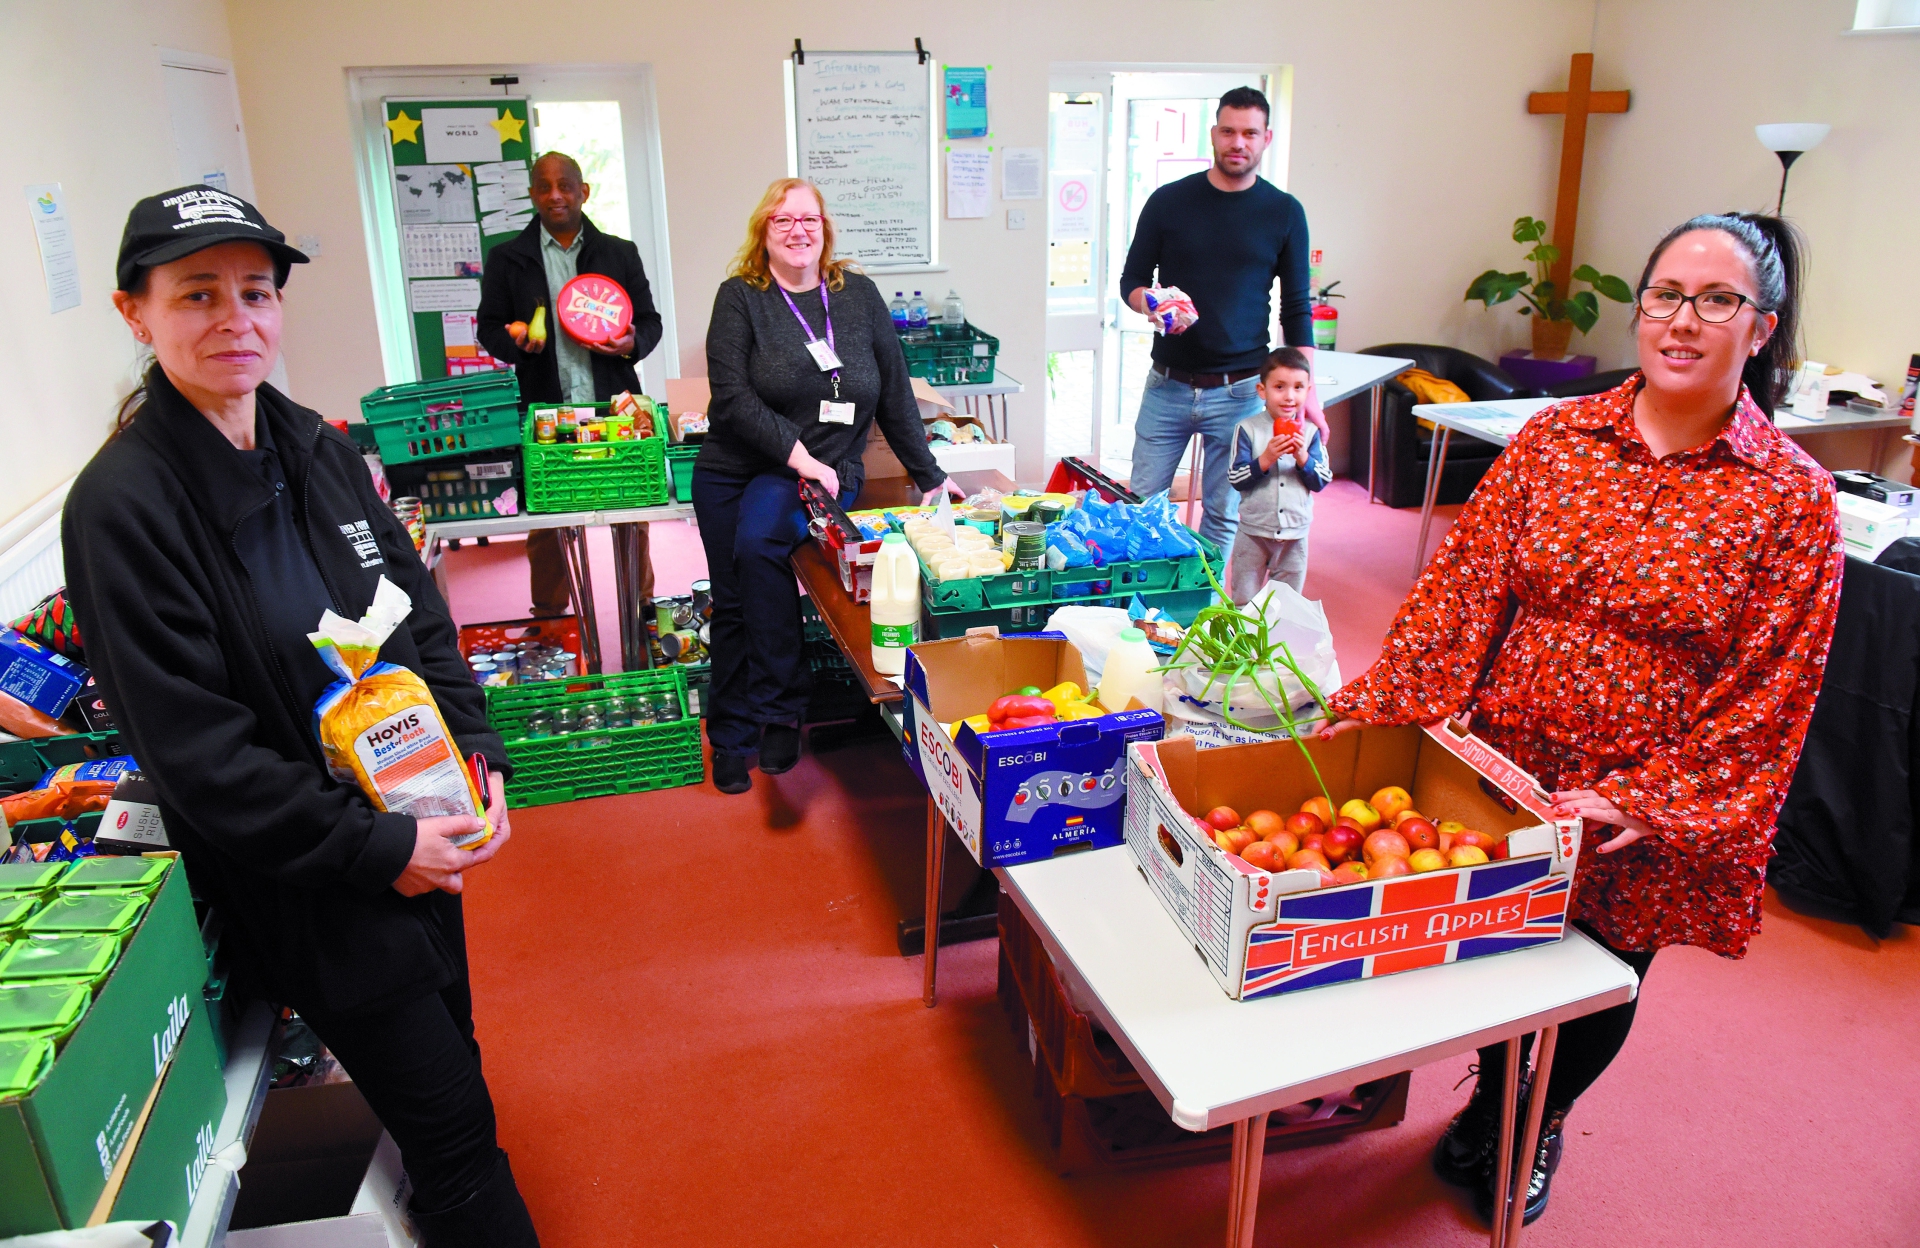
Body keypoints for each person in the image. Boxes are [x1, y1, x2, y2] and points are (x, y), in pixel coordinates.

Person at [1320, 213, 1842, 1226]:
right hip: (1511, 762)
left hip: (1645, 797)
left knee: (1602, 970)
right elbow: (1462, 590)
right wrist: (1377, 703)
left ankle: (1543, 1115)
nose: (1682, 320)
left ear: (1761, 326)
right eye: (1666, 294)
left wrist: (1656, 800)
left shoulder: (1791, 498)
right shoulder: (1555, 441)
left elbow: (1776, 683)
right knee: (1495, 944)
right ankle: (1490, 1103)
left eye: (1717, 300)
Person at [66, 186, 539, 1247]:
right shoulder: (124, 506)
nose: (235, 318)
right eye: (197, 294)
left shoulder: (312, 445)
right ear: (135, 313)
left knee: (454, 1064)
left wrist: (475, 752)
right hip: (314, 880)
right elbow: (199, 757)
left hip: (415, 825)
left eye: (256, 292)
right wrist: (378, 851)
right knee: (455, 1133)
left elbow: (414, 612)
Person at [697, 177, 960, 794]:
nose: (798, 230)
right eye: (783, 220)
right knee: (732, 602)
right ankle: (732, 735)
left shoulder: (856, 295)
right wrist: (800, 457)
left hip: (821, 467)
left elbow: (894, 390)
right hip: (736, 467)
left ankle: (781, 710)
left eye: (809, 219)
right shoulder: (741, 296)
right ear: (763, 231)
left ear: (825, 229)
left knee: (759, 545)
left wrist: (929, 472)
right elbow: (731, 397)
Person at [1119, 86, 1325, 553]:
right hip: (1167, 385)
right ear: (1213, 134)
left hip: (1241, 392)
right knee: (1141, 507)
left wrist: (1308, 394)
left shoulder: (1285, 212)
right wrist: (1151, 304)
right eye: (1229, 131)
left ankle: (1205, 598)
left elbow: (1297, 308)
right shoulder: (1169, 201)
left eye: (1250, 133)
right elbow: (1131, 280)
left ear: (1266, 138)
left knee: (1223, 513)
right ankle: (1143, 597)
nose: (1238, 143)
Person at [477, 152, 663, 617]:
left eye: (565, 185)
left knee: (630, 514)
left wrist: (631, 342)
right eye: (544, 186)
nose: (555, 195)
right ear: (532, 195)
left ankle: (641, 612)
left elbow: (649, 322)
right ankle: (549, 618)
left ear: (584, 192)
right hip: (546, 408)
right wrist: (515, 340)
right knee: (547, 519)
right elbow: (490, 327)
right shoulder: (507, 258)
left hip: (612, 405)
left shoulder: (619, 252)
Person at [1225, 346, 1331, 602]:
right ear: (1262, 390)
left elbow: (1322, 480)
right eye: (1280, 387)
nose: (1289, 396)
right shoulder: (1247, 429)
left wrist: (1302, 457)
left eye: (1298, 387)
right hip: (1253, 531)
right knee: (1244, 599)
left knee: (1287, 603)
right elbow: (1236, 478)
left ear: (1308, 391)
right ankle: (1244, 629)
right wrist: (1265, 459)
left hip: (1295, 534)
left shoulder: (1310, 432)